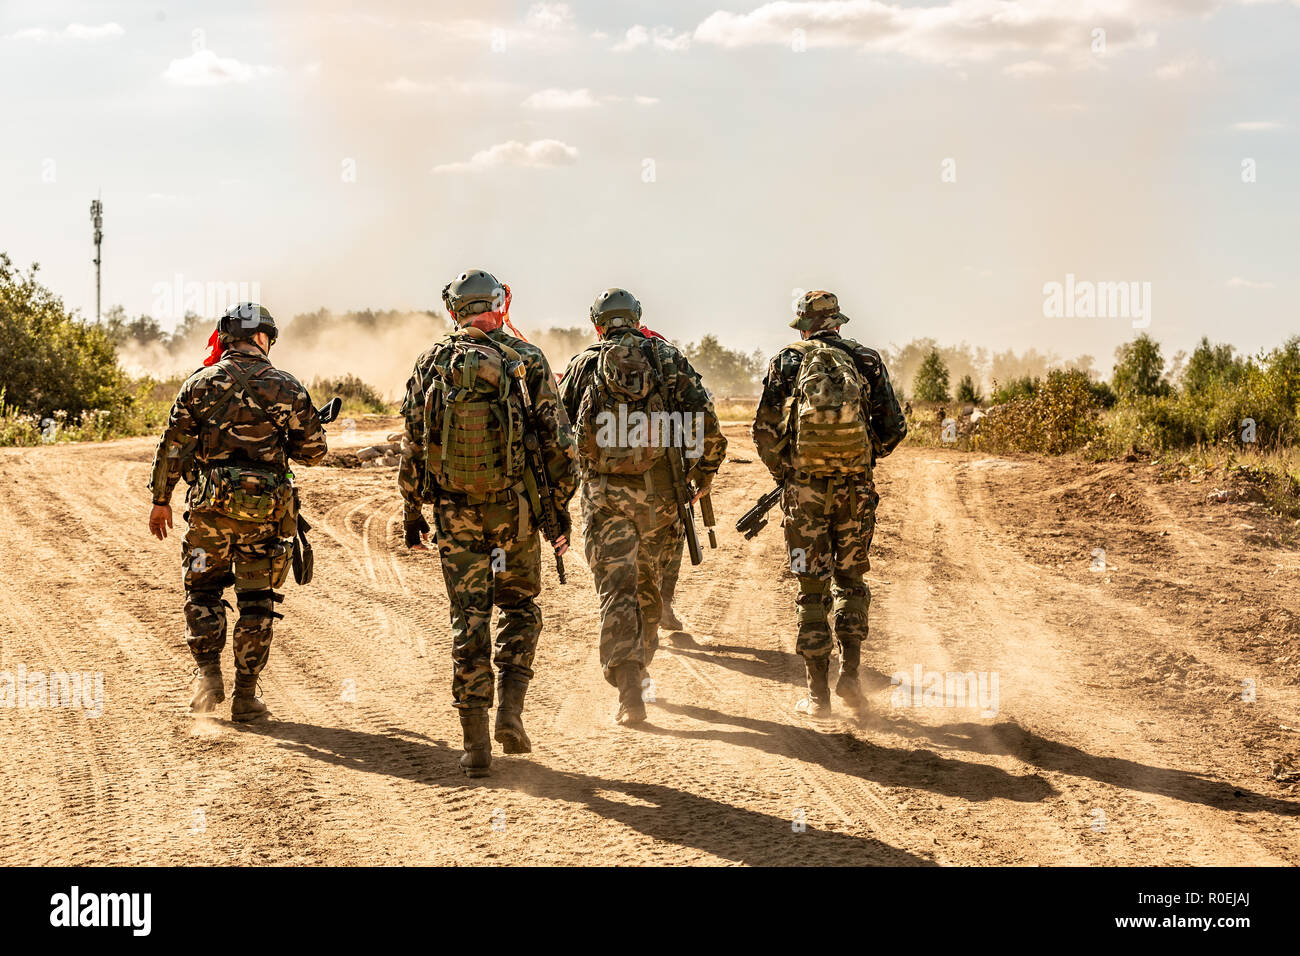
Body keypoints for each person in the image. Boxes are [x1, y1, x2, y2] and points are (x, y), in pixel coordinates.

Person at [398, 269, 578, 777]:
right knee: (519, 607)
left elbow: (412, 443)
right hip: (514, 511)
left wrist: (413, 509)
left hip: (454, 513)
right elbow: (560, 445)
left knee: (468, 617)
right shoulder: (527, 359)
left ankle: (475, 745)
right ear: (499, 304)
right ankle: (511, 713)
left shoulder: (431, 361)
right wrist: (556, 509)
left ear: (452, 310)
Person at [148, 302, 327, 720]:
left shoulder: (199, 384)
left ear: (227, 337)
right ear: (264, 337)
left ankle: (208, 679)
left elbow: (172, 447)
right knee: (258, 601)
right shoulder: (286, 386)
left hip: (209, 513)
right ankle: (247, 697)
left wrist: (160, 501)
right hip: (264, 516)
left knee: (203, 592)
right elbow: (314, 452)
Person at [557, 289, 726, 725]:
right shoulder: (667, 359)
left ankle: (629, 690)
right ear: (636, 318)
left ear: (597, 324)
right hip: (662, 501)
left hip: (605, 500)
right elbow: (706, 425)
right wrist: (701, 477)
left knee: (617, 590)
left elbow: (556, 435)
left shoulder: (582, 367)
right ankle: (639, 673)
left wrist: (564, 490)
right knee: (650, 594)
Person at [751, 290, 906, 717]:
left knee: (811, 589)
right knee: (850, 582)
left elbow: (764, 432)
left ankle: (817, 696)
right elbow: (893, 428)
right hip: (855, 492)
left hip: (804, 495)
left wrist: (787, 473)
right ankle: (852, 678)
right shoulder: (866, 360)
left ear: (802, 324)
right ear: (838, 322)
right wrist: (862, 459)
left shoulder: (786, 361)